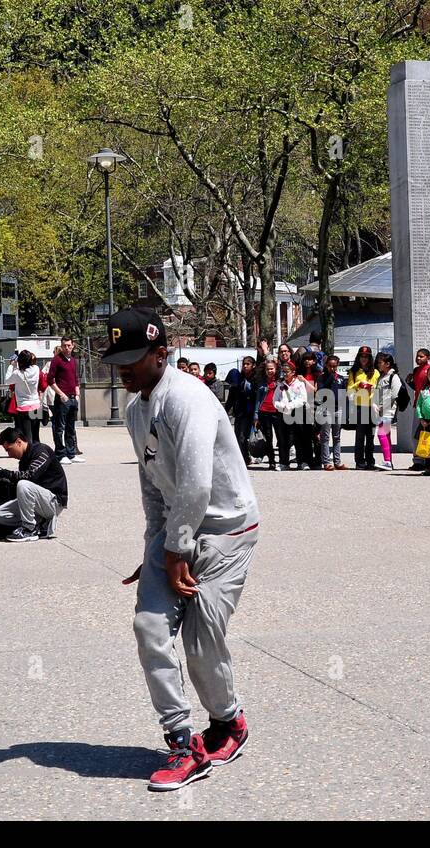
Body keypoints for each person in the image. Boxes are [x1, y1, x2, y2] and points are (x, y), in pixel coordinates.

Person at [107, 308, 259, 792]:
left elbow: (195, 486)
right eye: (118, 359)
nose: (124, 369)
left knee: (199, 638)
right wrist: (156, 545)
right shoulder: (137, 410)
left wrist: (175, 551)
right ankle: (181, 741)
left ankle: (228, 722)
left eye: (134, 358)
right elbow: (154, 485)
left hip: (225, 532)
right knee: (149, 625)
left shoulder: (189, 399)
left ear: (161, 353)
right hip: (176, 533)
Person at [0, 426, 67, 541]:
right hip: (38, 502)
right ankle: (37, 524)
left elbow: (31, 475)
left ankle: (29, 529)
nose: (9, 455)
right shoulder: (23, 461)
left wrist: (7, 474)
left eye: (9, 449)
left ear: (18, 442)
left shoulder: (41, 451)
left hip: (54, 501)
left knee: (23, 484)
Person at [47, 337, 83, 464]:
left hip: (73, 397)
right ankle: (60, 454)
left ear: (73, 346)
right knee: (59, 427)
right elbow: (50, 380)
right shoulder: (56, 360)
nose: (66, 348)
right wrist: (61, 394)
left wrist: (77, 393)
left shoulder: (73, 360)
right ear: (61, 346)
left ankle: (71, 453)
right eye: (64, 345)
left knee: (71, 427)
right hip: (62, 398)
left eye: (68, 345)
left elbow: (76, 378)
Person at [346, 346, 379, 469]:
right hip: (360, 406)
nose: (364, 359)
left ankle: (370, 460)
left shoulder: (375, 372)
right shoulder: (353, 372)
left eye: (366, 356)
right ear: (358, 357)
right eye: (361, 356)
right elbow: (349, 390)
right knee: (360, 436)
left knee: (370, 436)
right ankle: (359, 461)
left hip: (372, 406)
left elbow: (379, 388)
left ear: (370, 358)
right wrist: (358, 384)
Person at [274, 359, 309, 470]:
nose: (284, 374)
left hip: (297, 412)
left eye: (287, 372)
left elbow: (303, 399)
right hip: (284, 413)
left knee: (299, 437)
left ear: (293, 372)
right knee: (284, 439)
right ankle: (284, 463)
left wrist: (291, 405)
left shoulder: (299, 384)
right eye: (283, 372)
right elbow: (275, 400)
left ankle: (302, 462)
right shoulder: (280, 385)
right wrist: (282, 406)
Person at [372, 351, 403, 471]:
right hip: (380, 410)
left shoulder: (393, 376)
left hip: (388, 410)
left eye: (381, 362)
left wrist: (383, 407)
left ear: (388, 363)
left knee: (381, 434)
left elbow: (395, 394)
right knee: (386, 435)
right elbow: (376, 393)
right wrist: (375, 404)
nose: (378, 365)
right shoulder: (380, 377)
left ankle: (387, 461)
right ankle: (388, 460)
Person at [316, 354, 346, 470]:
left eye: (334, 366)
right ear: (326, 366)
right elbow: (320, 392)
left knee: (337, 436)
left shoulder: (341, 378)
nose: (332, 369)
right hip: (326, 409)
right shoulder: (322, 378)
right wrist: (330, 378)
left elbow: (344, 395)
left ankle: (337, 461)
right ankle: (326, 462)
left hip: (338, 409)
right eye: (330, 366)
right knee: (325, 436)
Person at [5, 350, 42, 444]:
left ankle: (29, 456)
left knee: (27, 436)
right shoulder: (36, 369)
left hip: (24, 407)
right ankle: (38, 454)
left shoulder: (17, 374)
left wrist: (11, 366)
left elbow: (7, 380)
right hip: (37, 406)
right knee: (36, 435)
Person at [224, 356, 257, 462]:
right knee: (239, 437)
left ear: (253, 365)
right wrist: (225, 411)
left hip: (253, 412)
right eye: (244, 364)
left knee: (250, 437)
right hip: (240, 412)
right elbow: (231, 397)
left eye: (248, 364)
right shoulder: (239, 379)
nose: (245, 366)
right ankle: (244, 458)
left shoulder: (256, 379)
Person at [253, 358, 282, 470]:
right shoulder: (262, 383)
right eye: (268, 369)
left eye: (272, 369)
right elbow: (258, 400)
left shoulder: (280, 382)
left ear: (276, 369)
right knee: (268, 438)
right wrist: (256, 416)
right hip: (264, 412)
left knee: (280, 437)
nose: (270, 371)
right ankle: (272, 461)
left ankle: (283, 461)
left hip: (277, 412)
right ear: (264, 371)